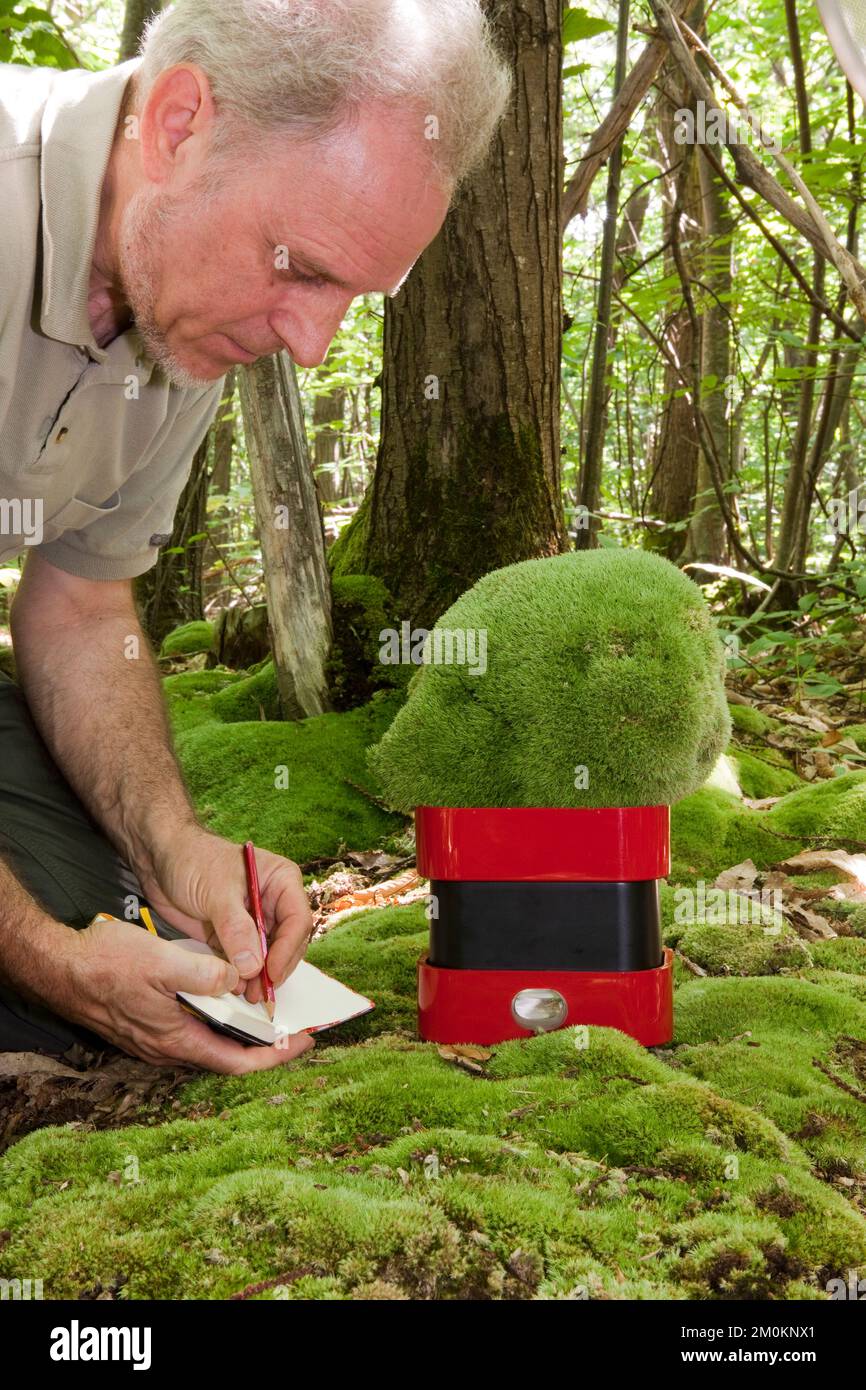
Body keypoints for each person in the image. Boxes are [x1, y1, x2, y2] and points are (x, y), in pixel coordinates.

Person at [0, 0, 511, 1071]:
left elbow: (81, 598)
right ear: (179, 122)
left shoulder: (176, 298)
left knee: (123, 931)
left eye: (353, 297)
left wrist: (172, 845)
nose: (313, 346)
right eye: (302, 268)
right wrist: (43, 953)